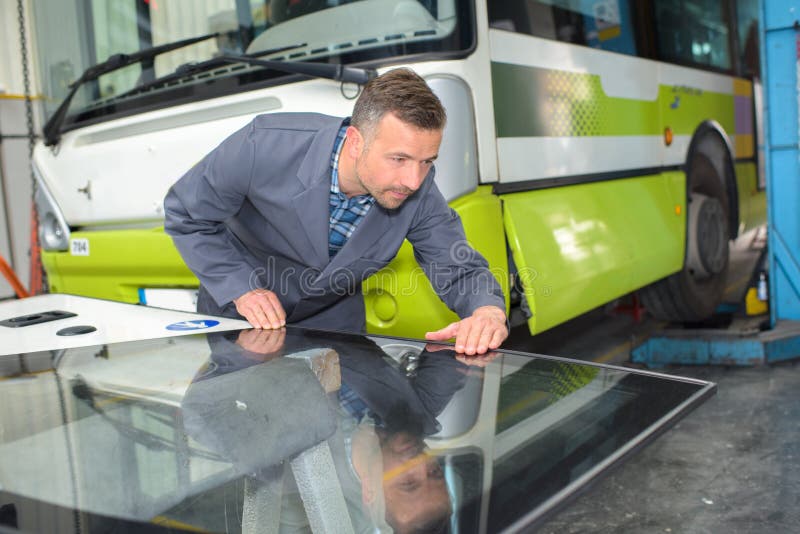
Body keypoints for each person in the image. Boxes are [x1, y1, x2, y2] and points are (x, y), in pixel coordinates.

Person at [164, 67, 507, 355]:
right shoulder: (261, 144)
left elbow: (457, 266)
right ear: (356, 141)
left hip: (334, 332)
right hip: (243, 321)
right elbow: (187, 216)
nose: (414, 180)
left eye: (427, 161)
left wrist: (487, 312)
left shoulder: (419, 190)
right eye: (399, 159)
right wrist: (241, 288)